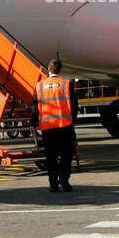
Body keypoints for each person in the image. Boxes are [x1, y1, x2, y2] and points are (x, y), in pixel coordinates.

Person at [32, 58, 76, 192]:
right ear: (60, 70)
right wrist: (72, 120)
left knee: (51, 156)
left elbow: (35, 107)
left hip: (48, 128)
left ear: (48, 69)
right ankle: (64, 180)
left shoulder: (39, 86)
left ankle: (53, 184)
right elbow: (74, 106)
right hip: (65, 126)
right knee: (66, 155)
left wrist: (33, 123)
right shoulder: (67, 84)